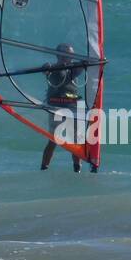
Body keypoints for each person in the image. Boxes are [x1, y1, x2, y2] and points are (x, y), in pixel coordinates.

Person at [41, 43, 84, 172]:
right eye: (67, 54)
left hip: (73, 106)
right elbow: (45, 70)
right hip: (56, 106)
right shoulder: (53, 68)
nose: (70, 57)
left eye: (71, 54)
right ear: (58, 55)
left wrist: (94, 61)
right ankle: (44, 167)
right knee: (54, 139)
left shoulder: (73, 69)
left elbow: (83, 66)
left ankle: (77, 168)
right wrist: (46, 68)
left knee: (75, 138)